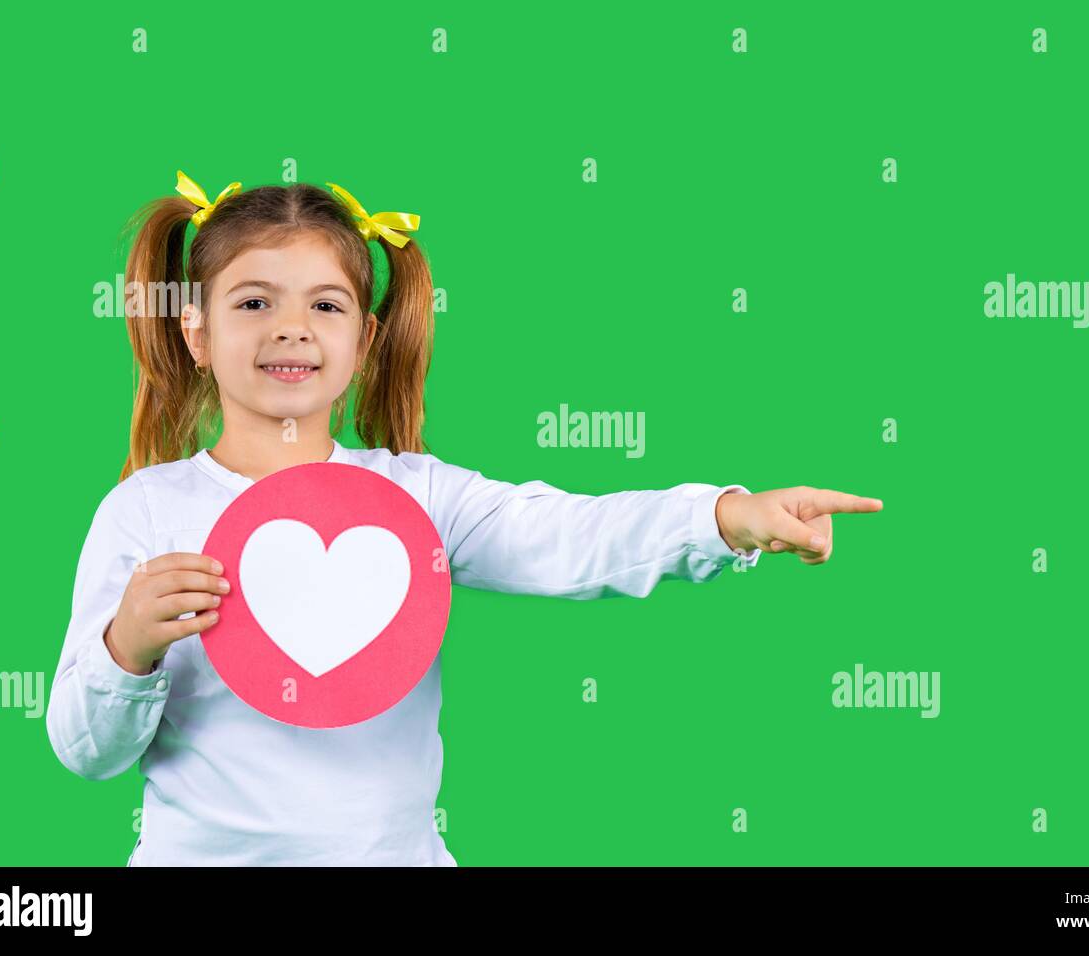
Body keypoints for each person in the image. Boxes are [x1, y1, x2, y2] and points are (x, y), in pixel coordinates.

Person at [45, 170, 884, 866]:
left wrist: (726, 517)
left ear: (366, 340)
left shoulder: (419, 498)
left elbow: (566, 534)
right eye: (254, 302)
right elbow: (86, 751)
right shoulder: (147, 512)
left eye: (326, 307)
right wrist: (129, 648)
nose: (292, 329)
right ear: (195, 331)